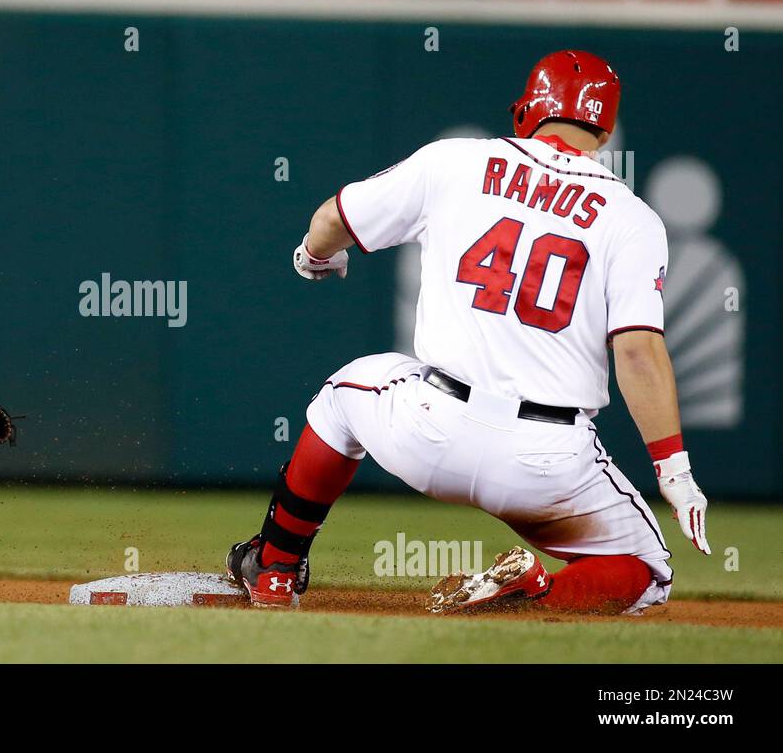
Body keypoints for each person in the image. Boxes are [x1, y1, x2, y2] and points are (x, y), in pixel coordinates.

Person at [225, 50, 709, 616]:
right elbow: (638, 352)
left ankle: (276, 566)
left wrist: (315, 255)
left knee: (344, 396)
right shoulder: (633, 219)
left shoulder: (457, 162)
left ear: (528, 110)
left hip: (430, 430)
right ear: (603, 128)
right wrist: (673, 469)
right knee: (649, 573)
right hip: (547, 461)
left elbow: (333, 220)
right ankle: (537, 595)